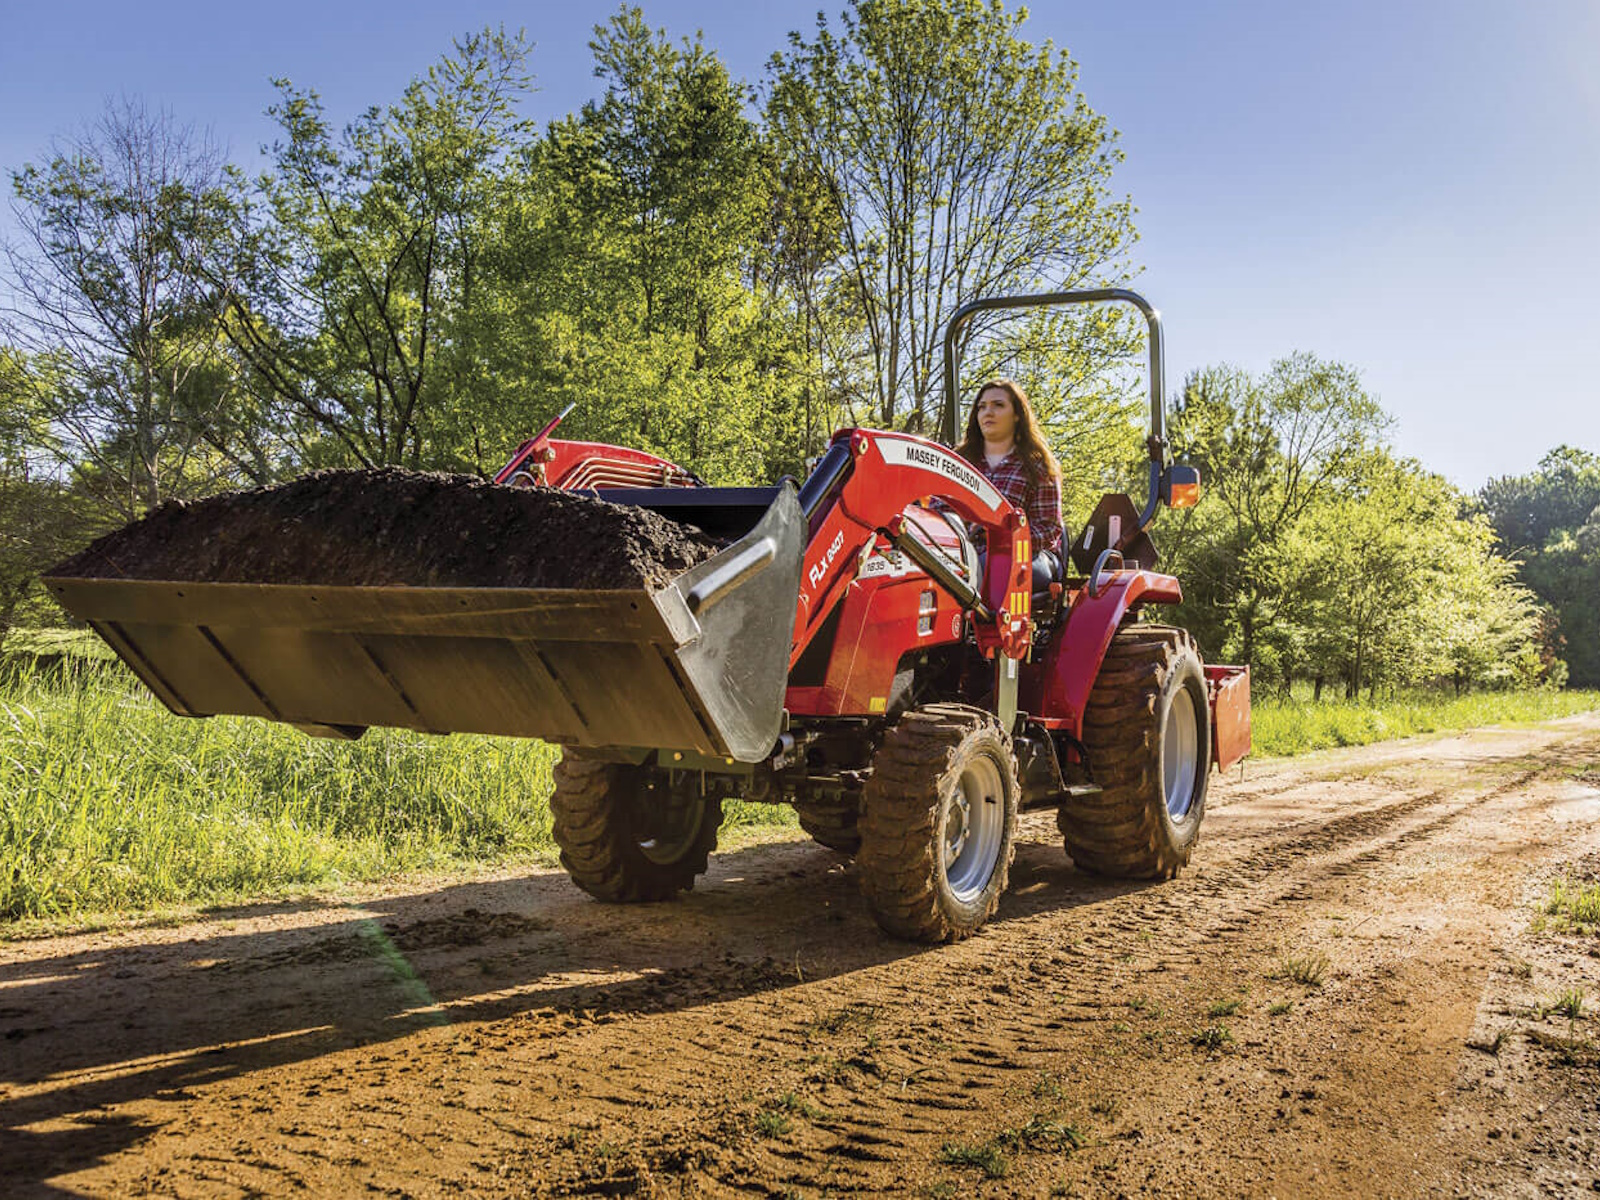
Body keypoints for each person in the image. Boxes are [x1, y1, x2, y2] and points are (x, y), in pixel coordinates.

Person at [953, 378, 1064, 592]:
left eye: (998, 405)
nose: (988, 412)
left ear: (1017, 415)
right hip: (961, 554)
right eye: (982, 407)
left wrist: (1001, 538)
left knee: (986, 569)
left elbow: (1049, 530)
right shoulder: (959, 464)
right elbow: (940, 512)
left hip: (1026, 555)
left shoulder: (1038, 466)